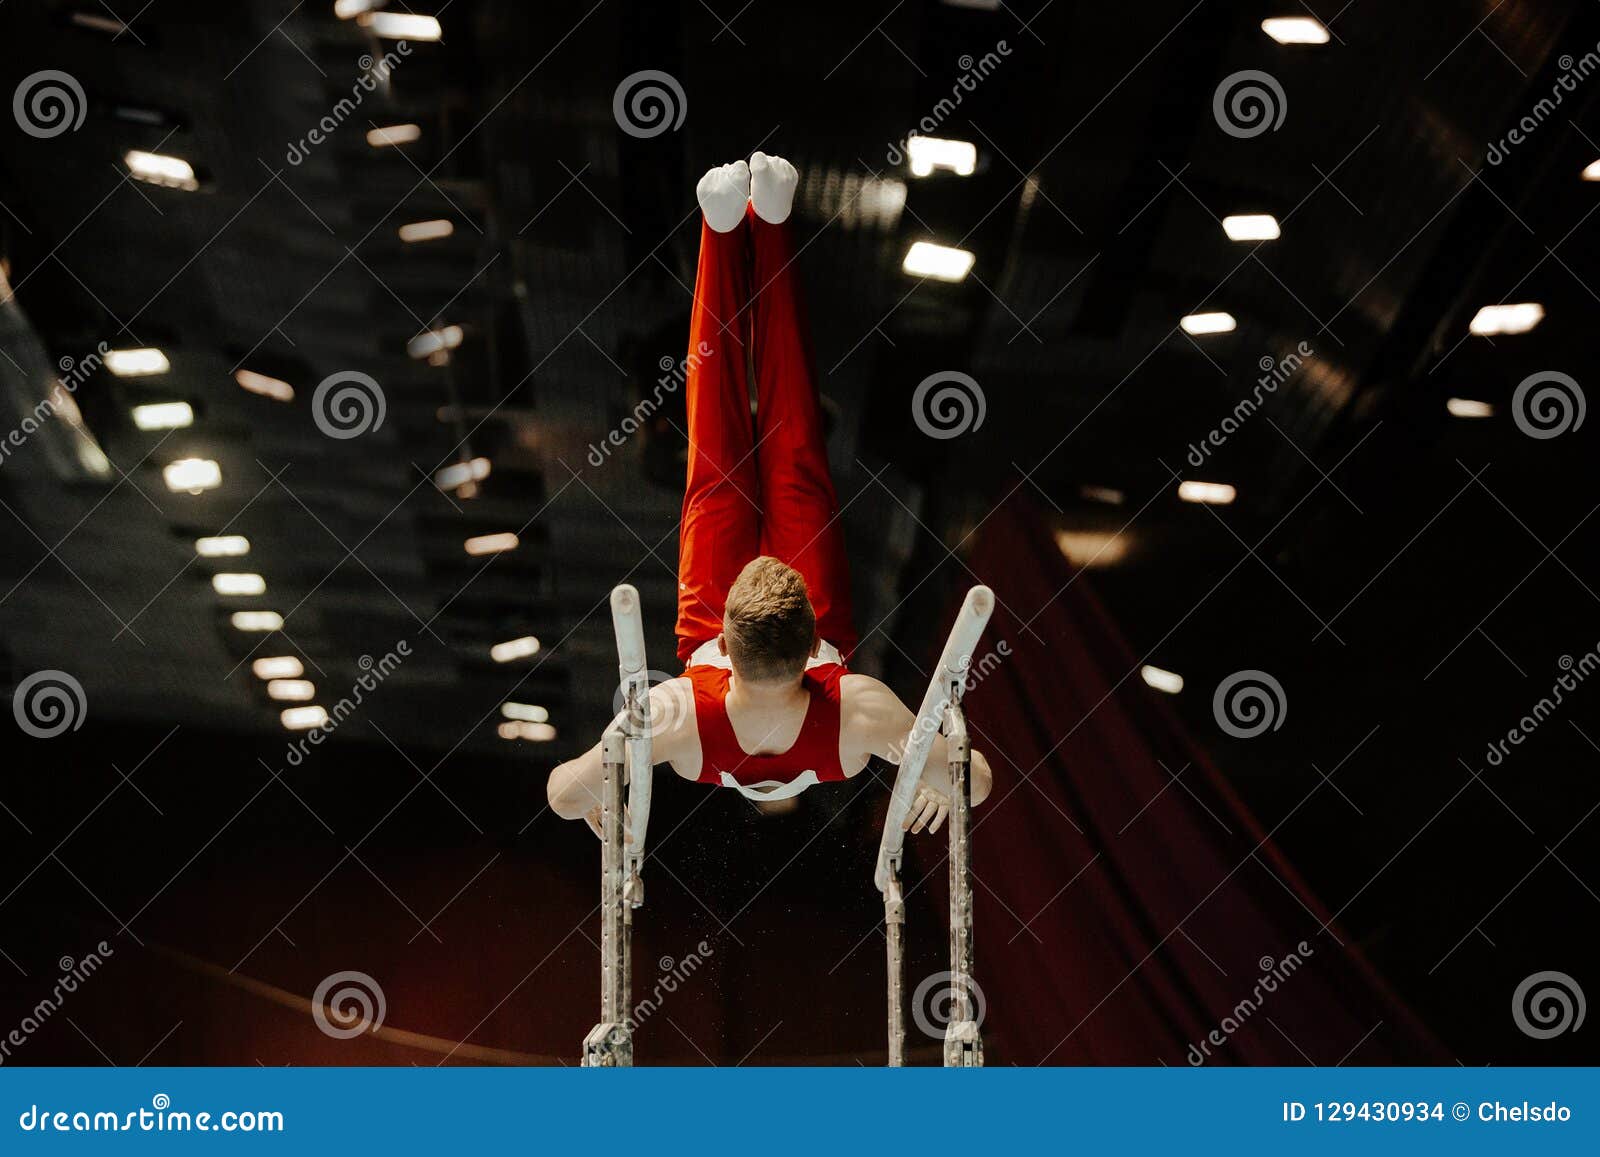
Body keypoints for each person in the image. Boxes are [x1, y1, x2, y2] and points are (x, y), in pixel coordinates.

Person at [548, 153, 992, 839]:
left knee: (793, 439)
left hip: (805, 594)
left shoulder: (853, 722)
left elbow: (978, 777)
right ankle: (723, 227)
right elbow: (561, 792)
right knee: (716, 445)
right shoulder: (685, 720)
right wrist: (594, 792)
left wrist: (944, 770)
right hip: (711, 607)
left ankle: (772, 219)